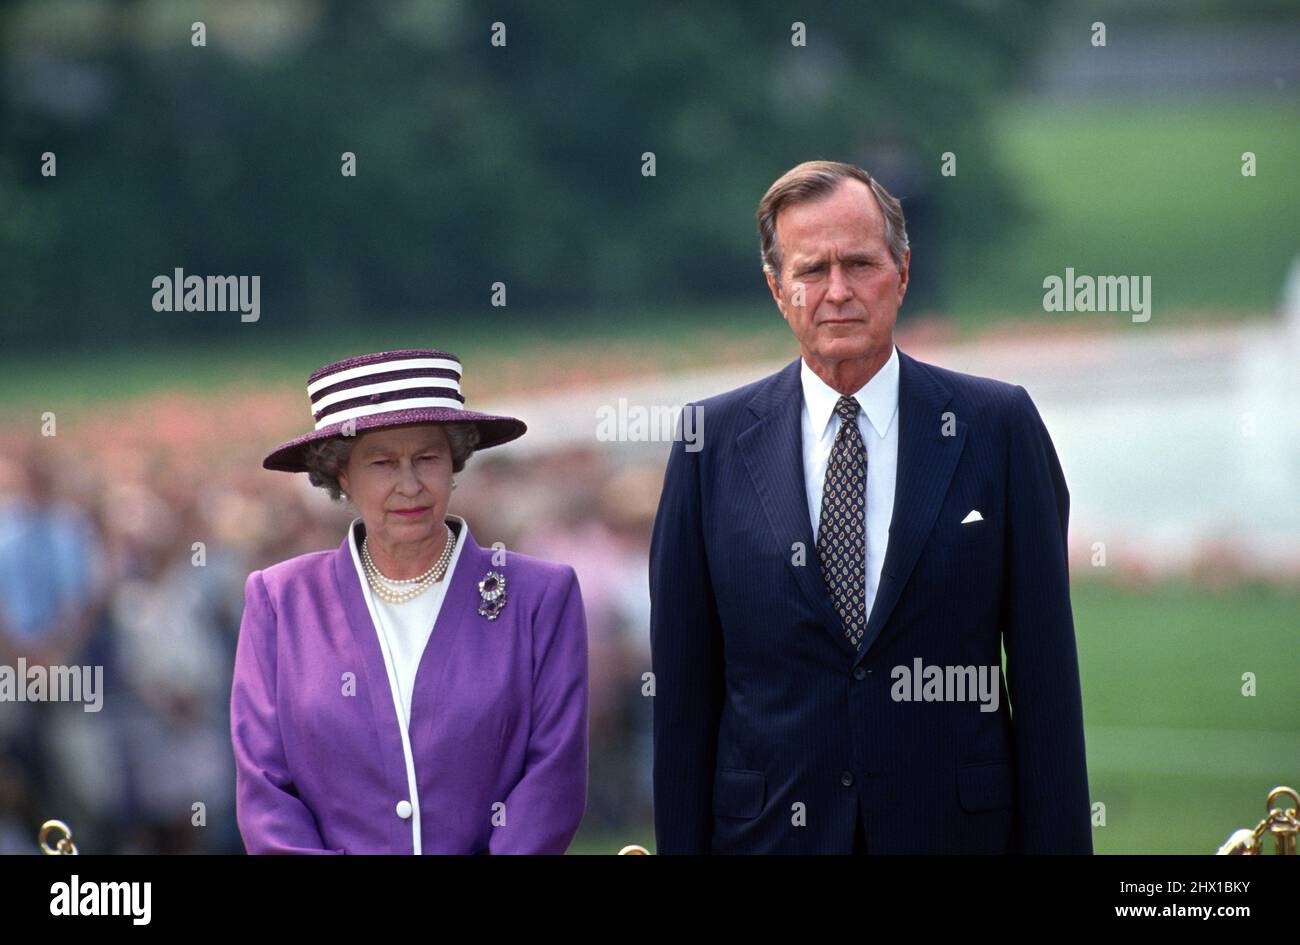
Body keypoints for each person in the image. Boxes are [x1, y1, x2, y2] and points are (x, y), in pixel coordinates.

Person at [649, 161, 1091, 854]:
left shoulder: (997, 427)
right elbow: (683, 700)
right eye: (811, 269)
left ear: (903, 273)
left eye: (859, 263)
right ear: (776, 288)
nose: (837, 291)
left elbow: (1047, 683)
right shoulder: (711, 444)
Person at [231, 348, 589, 854]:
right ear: (341, 474)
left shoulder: (538, 597)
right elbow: (265, 789)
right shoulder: (280, 600)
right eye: (382, 463)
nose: (410, 484)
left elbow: (553, 776)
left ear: (455, 462)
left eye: (427, 458)